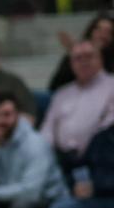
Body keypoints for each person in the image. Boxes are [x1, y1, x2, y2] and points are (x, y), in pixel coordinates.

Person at [38, 40, 114, 170]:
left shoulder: (111, 86)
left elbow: (107, 128)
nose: (84, 61)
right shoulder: (62, 93)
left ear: (100, 59)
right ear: (71, 64)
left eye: (89, 56)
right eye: (78, 58)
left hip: (101, 161)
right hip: (62, 161)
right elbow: (48, 130)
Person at [42, 123, 114, 208]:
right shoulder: (103, 137)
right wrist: (77, 184)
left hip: (106, 197)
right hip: (94, 198)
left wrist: (96, 186)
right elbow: (81, 165)